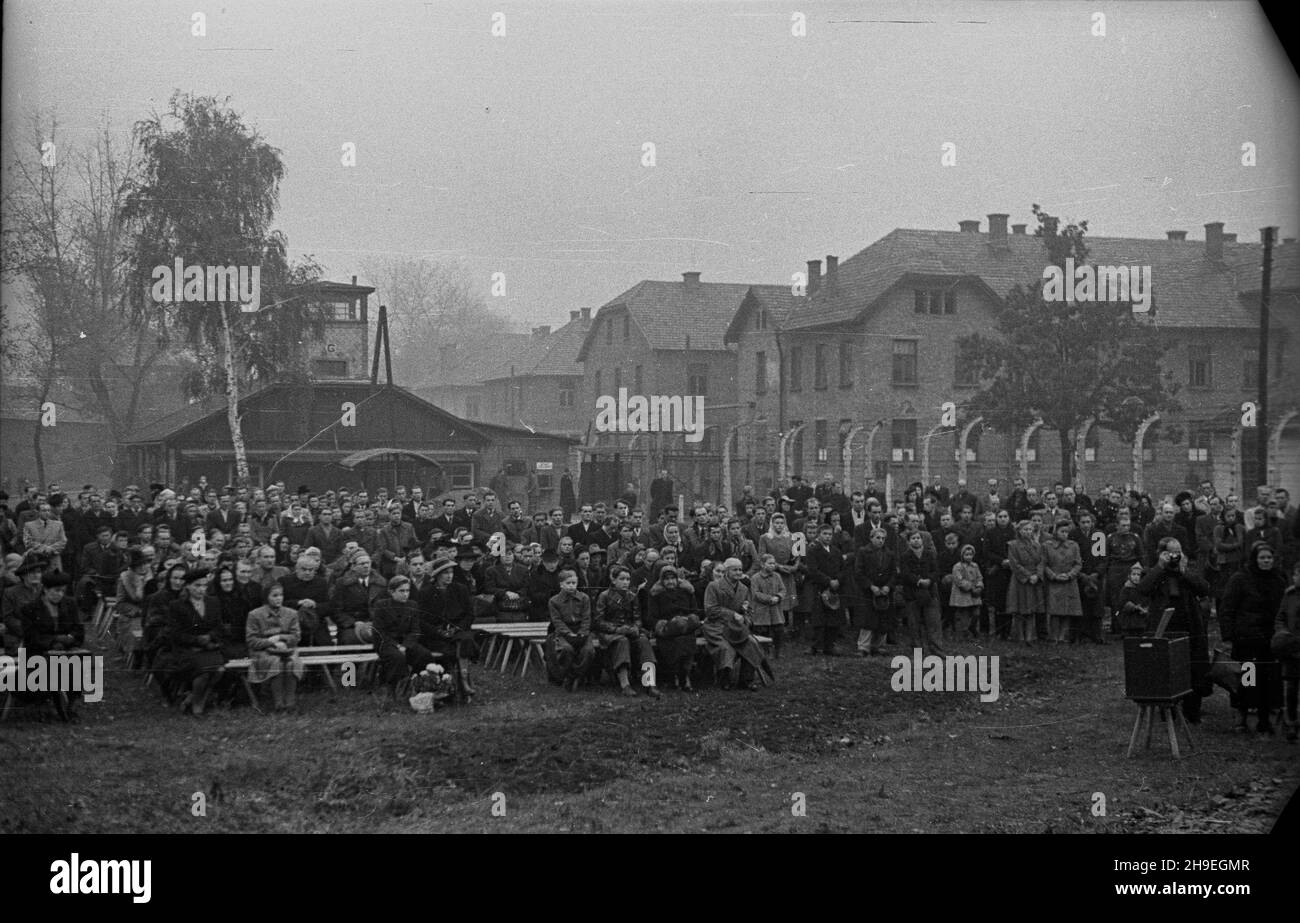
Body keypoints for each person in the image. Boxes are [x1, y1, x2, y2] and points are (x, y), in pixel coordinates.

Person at [1137, 538, 1211, 723]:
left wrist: (1183, 571)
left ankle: (1192, 710)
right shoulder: (1154, 570)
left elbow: (1204, 589)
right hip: (1164, 624)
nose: (1175, 556)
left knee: (1192, 666)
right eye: (1171, 552)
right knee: (1165, 667)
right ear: (1162, 553)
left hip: (1189, 624)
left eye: (1178, 552)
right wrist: (1160, 567)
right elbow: (1143, 589)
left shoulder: (1186, 570)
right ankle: (1167, 710)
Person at [1219, 542, 1287, 735]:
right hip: (1247, 641)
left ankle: (1265, 720)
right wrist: (1228, 636)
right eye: (1262, 558)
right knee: (1248, 680)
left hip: (1270, 641)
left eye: (1269, 558)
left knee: (1269, 680)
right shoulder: (1240, 579)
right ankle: (1242, 716)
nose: (1266, 561)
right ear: (1254, 559)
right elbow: (1227, 609)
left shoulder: (1279, 580)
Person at [156, 568, 227, 716]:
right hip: (187, 649)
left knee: (219, 670)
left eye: (204, 585)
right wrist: (197, 640)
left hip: (209, 647)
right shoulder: (177, 605)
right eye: (197, 586)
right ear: (187, 586)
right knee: (204, 671)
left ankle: (196, 698)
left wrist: (210, 637)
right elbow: (175, 634)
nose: (201, 589)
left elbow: (219, 627)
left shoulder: (213, 602)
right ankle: (197, 705)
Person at [702, 558, 773, 690]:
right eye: (735, 569)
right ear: (727, 571)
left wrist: (745, 612)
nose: (738, 572)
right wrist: (732, 614)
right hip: (716, 626)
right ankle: (725, 680)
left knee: (751, 644)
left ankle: (746, 680)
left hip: (736, 628)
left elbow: (749, 612)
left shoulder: (744, 589)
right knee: (725, 648)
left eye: (740, 569)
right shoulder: (714, 586)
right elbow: (710, 610)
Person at [415, 557, 477, 701]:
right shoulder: (425, 593)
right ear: (437, 575)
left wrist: (456, 628)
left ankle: (464, 680)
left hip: (457, 631)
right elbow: (421, 620)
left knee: (465, 640)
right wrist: (438, 632)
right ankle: (452, 686)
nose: (450, 576)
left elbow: (470, 614)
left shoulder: (460, 589)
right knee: (448, 651)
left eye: (451, 572)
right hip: (435, 635)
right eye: (445, 573)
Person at [593, 566, 661, 698]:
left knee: (643, 641)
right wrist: (617, 629)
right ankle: (625, 684)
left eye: (628, 579)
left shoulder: (631, 596)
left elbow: (637, 618)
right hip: (611, 633)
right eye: (622, 579)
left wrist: (636, 627)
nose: (625, 582)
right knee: (622, 641)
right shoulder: (604, 596)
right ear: (613, 580)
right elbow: (598, 621)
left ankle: (649, 683)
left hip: (629, 630)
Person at [245, 583, 304, 712]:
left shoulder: (291, 613)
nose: (278, 598)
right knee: (275, 662)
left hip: (286, 649)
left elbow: (296, 636)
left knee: (291, 663)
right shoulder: (255, 615)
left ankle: (289, 702)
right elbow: (251, 640)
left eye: (281, 595)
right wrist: (270, 642)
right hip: (263, 651)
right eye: (274, 595)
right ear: (267, 597)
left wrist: (282, 639)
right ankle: (278, 703)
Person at [547, 568, 595, 691]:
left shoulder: (584, 598)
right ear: (561, 584)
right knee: (566, 650)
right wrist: (568, 633)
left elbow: (586, 617)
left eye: (574, 583)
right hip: (564, 632)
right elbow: (557, 620)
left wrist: (583, 633)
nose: (571, 586)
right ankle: (567, 675)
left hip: (581, 631)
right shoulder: (554, 601)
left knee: (588, 651)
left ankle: (575, 675)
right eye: (568, 583)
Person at [805, 523, 848, 656]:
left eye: (830, 534)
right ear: (819, 535)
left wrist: (837, 581)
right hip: (820, 587)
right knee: (819, 619)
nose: (828, 537)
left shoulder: (836, 551)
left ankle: (830, 645)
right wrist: (828, 581)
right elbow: (813, 570)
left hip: (834, 589)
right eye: (825, 534)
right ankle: (816, 646)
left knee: (833, 618)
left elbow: (843, 569)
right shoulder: (813, 550)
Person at [898, 531, 943, 654]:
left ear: (922, 540)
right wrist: (918, 581)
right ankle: (917, 650)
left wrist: (929, 580)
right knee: (914, 623)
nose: (916, 540)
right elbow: (905, 574)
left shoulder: (929, 554)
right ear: (909, 541)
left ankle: (936, 649)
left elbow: (936, 571)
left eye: (918, 538)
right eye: (913, 538)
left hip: (929, 592)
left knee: (933, 623)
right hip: (912, 593)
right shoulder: (905, 556)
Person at [854, 527, 895, 656]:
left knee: (883, 619)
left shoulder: (889, 554)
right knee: (867, 619)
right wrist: (871, 586)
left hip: (884, 592)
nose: (880, 541)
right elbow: (859, 572)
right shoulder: (863, 552)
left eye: (883, 538)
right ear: (871, 538)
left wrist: (888, 586)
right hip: (868, 591)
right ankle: (863, 647)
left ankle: (879, 645)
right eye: (878, 538)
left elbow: (893, 573)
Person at [1043, 520, 1082, 643]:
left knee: (1067, 610)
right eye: (1062, 531)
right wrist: (1054, 576)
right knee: (1055, 611)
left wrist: (1070, 575)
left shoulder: (1074, 545)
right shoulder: (1047, 546)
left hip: (1069, 582)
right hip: (1054, 582)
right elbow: (1044, 564)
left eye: (1066, 532)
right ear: (1055, 532)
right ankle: (1053, 636)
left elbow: (1078, 563)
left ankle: (1063, 637)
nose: (1065, 534)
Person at [1006, 521, 1045, 645]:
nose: (1028, 532)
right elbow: (1014, 563)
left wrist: (1037, 575)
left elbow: (1041, 562)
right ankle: (1020, 637)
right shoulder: (1013, 545)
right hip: (1020, 580)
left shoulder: (1037, 545)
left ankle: (1030, 637)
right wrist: (1028, 576)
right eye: (1025, 529)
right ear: (1019, 531)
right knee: (1019, 609)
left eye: (1030, 529)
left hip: (1034, 580)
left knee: (1031, 609)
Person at [1276, 562, 1300, 741]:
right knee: (1291, 689)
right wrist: (1282, 634)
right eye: (1298, 574)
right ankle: (1291, 723)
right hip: (1292, 650)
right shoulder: (1289, 595)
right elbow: (1280, 618)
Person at [749, 554, 787, 658]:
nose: (772, 565)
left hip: (776, 609)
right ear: (762, 564)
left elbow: (783, 589)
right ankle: (765, 651)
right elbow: (756, 593)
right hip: (762, 610)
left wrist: (778, 597)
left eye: (774, 563)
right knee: (762, 631)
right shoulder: (755, 578)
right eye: (770, 563)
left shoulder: (777, 576)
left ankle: (777, 651)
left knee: (778, 630)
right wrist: (769, 599)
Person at [949, 544, 984, 640]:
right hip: (962, 594)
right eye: (966, 555)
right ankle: (964, 633)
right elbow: (959, 580)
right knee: (964, 613)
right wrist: (971, 588)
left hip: (974, 594)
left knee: (976, 613)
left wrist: (979, 587)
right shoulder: (957, 566)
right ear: (962, 555)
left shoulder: (975, 566)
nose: (969, 557)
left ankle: (972, 628)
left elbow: (979, 577)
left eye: (970, 554)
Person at [1114, 564, 1149, 638]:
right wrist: (1135, 607)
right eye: (1133, 574)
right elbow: (1123, 601)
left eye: (1138, 575)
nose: (1136, 577)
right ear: (1129, 576)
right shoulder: (1126, 588)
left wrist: (1145, 608)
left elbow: (1146, 600)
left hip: (1141, 616)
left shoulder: (1143, 588)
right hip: (1129, 616)